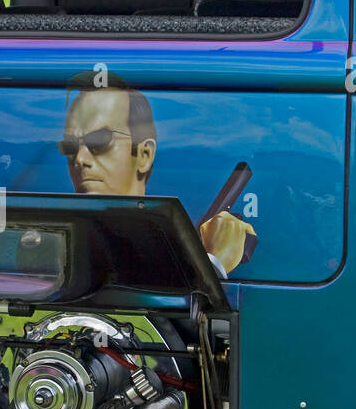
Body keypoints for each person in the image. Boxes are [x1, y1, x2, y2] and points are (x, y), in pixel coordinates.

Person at [61, 75, 255, 275]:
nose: (79, 159)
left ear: (145, 155)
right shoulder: (60, 250)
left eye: (98, 140)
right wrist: (216, 262)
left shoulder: (162, 250)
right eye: (70, 146)